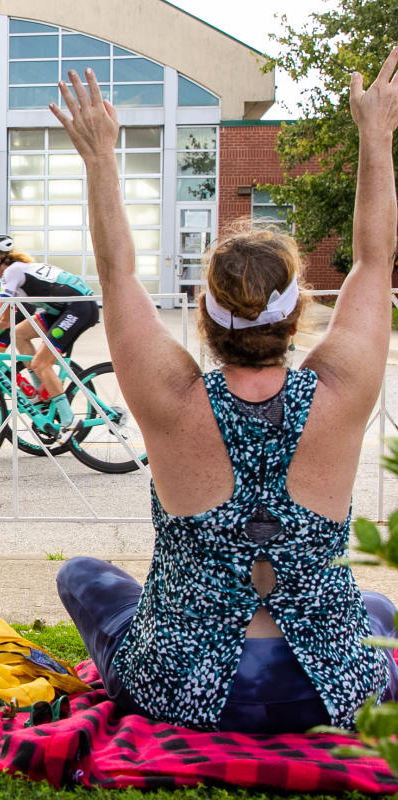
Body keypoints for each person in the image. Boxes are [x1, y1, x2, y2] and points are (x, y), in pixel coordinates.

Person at [51, 51, 398, 733]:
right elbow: (374, 258)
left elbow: (116, 274)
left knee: (82, 576)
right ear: (297, 314)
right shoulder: (342, 390)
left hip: (184, 689)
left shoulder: (172, 400)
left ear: (206, 315)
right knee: (377, 610)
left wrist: (99, 158)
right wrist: (376, 139)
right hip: (329, 691)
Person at [0, 234, 98, 435]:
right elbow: (3, 320)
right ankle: (41, 394)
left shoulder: (12, 271)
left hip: (78, 308)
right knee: (19, 333)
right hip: (63, 309)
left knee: (41, 362)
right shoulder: (15, 271)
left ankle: (69, 421)